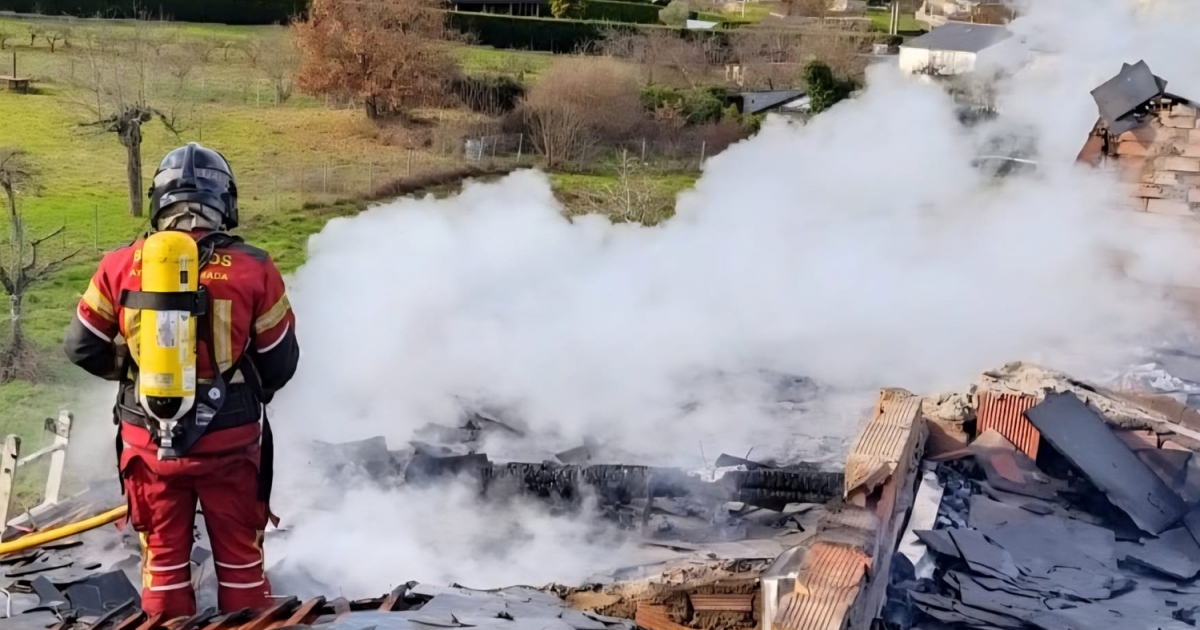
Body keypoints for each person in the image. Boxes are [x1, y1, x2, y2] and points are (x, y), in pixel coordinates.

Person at [64, 143, 300, 619]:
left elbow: (82, 347)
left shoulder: (119, 264)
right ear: (224, 203)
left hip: (147, 445)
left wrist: (137, 371)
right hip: (231, 443)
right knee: (240, 565)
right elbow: (279, 363)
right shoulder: (255, 267)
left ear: (159, 201)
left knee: (164, 566)